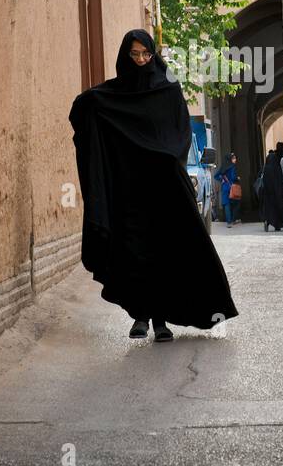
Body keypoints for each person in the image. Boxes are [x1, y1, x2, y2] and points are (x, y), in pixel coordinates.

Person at [69, 30, 239, 343]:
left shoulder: (168, 89)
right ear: (126, 56)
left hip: (164, 185)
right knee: (133, 250)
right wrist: (86, 103)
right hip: (130, 187)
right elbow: (87, 107)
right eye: (134, 54)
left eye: (146, 54)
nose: (141, 60)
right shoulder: (117, 93)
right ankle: (140, 316)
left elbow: (180, 133)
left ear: (153, 54)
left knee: (165, 250)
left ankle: (161, 322)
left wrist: (167, 156)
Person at [259, 143, 283, 232]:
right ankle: (277, 225)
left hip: (267, 189)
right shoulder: (277, 160)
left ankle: (267, 221)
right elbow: (279, 178)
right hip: (276, 188)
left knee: (269, 206)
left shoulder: (270, 157)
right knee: (279, 205)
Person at [218, 152, 240, 227]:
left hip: (225, 187)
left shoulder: (223, 167)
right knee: (236, 203)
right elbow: (233, 177)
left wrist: (221, 179)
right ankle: (233, 219)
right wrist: (237, 178)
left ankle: (229, 222)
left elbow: (216, 176)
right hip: (232, 188)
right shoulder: (232, 167)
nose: (235, 159)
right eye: (233, 158)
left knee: (226, 204)